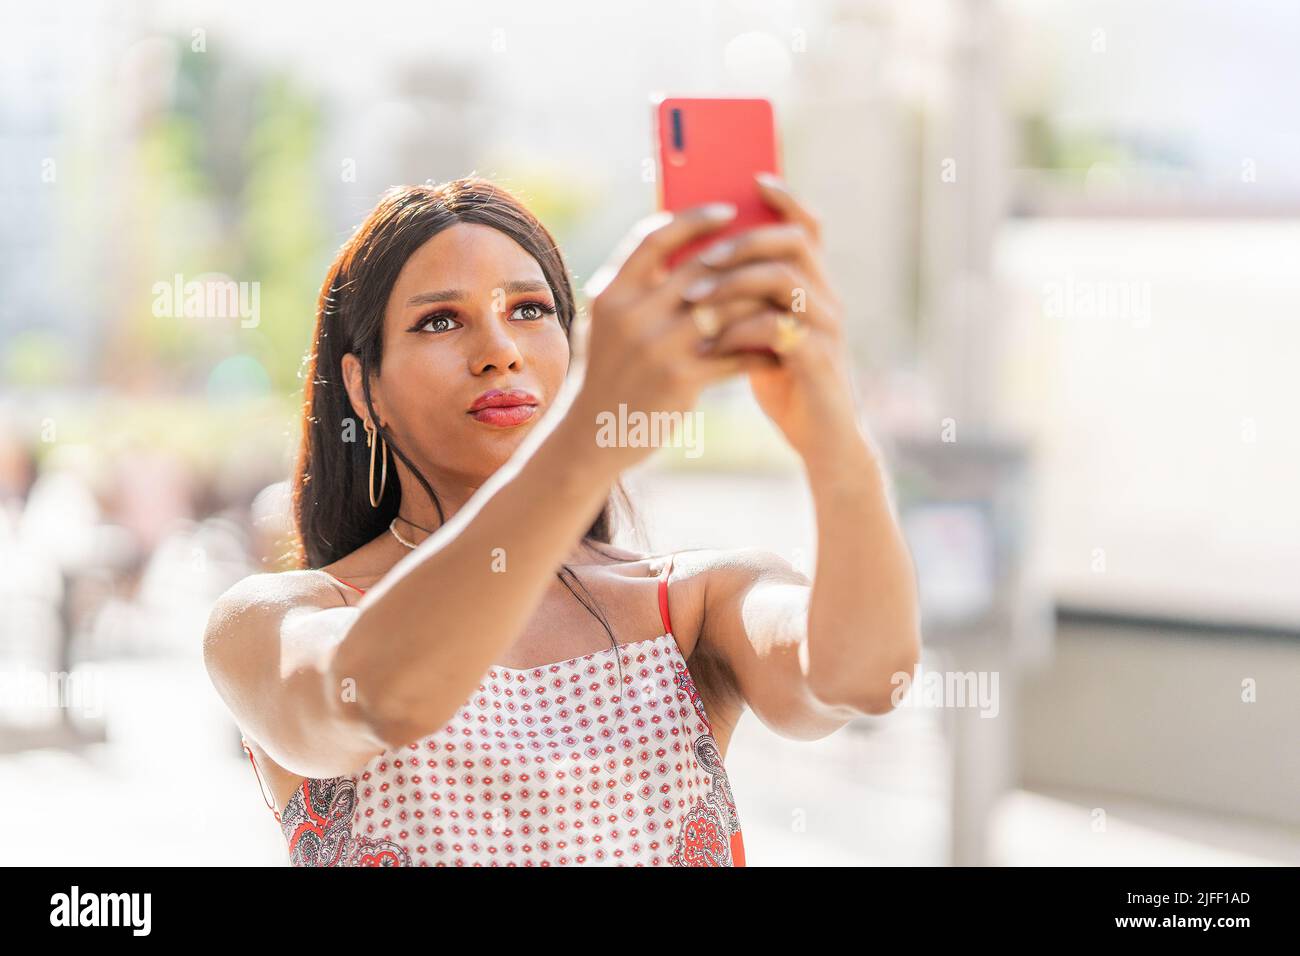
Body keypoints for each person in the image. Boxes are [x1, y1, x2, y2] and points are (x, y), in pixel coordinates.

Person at [202, 175, 920, 866]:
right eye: (440, 320)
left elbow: (861, 677)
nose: (500, 352)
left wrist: (831, 427)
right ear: (365, 388)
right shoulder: (271, 622)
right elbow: (378, 696)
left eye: (529, 309)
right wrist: (585, 441)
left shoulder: (691, 605)